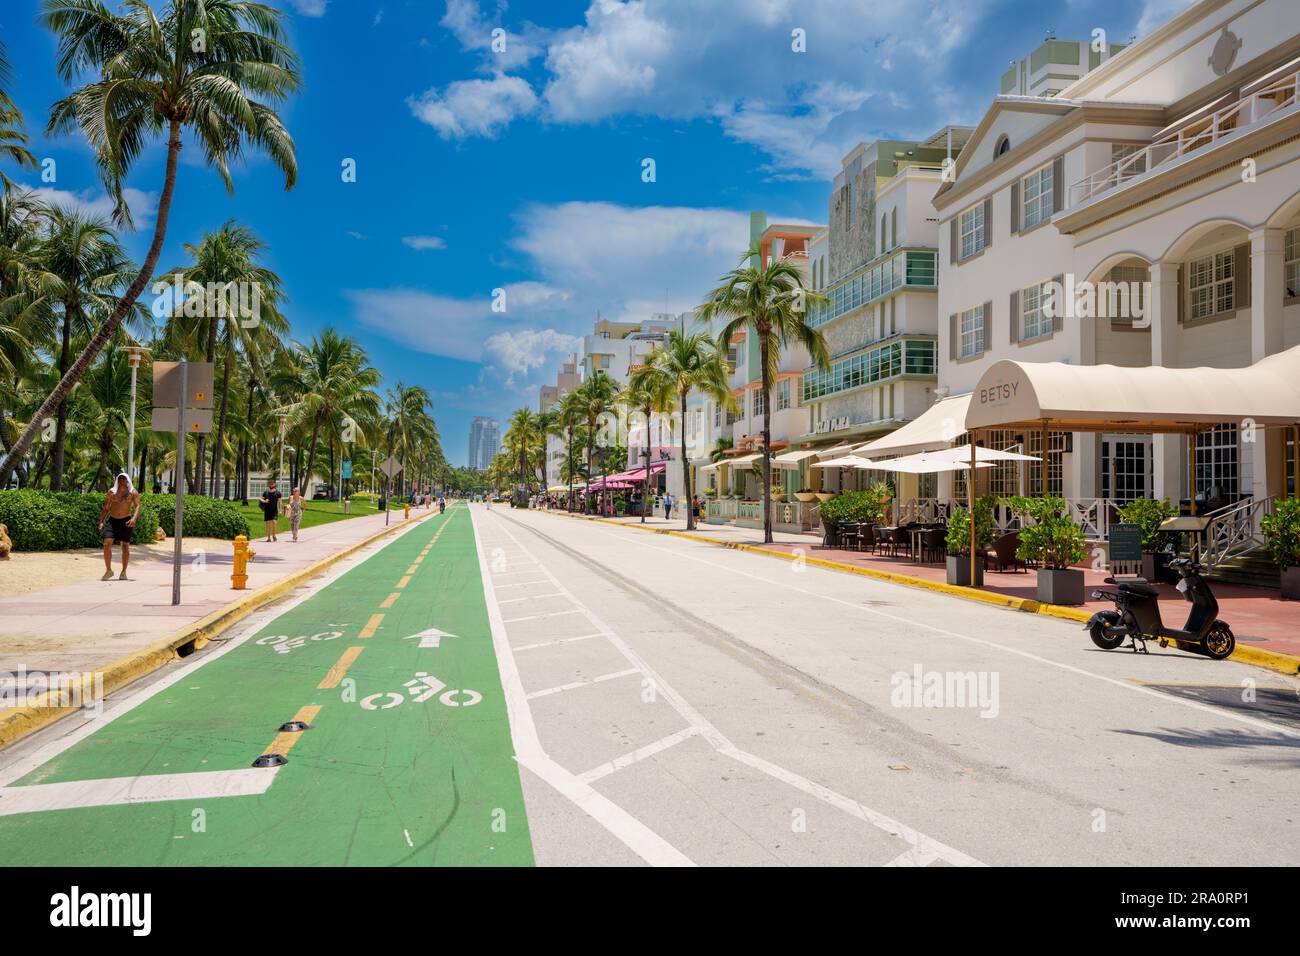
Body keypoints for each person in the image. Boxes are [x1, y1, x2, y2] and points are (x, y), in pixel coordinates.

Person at [98, 472, 140, 581]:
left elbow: (137, 506)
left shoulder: (132, 493)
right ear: (117, 480)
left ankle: (124, 571)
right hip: (112, 521)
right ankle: (108, 570)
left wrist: (134, 518)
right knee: (107, 544)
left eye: (124, 478)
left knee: (125, 546)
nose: (122, 480)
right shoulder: (112, 493)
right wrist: (101, 522)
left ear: (127, 480)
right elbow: (106, 508)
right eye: (120, 478)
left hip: (126, 521)